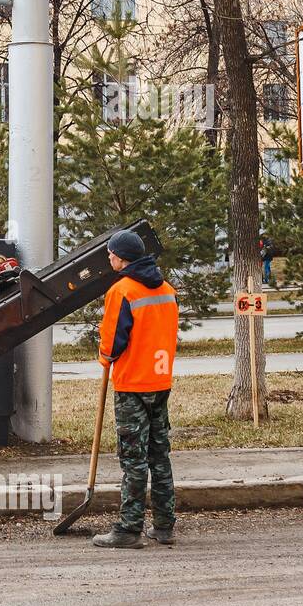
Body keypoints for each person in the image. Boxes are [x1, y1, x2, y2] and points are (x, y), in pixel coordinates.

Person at [92, 229, 180, 549]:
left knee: (133, 458)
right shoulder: (167, 289)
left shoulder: (122, 291)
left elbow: (114, 339)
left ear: (123, 257)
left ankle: (128, 530)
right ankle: (164, 526)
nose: (110, 258)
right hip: (160, 380)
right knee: (159, 453)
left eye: (112, 254)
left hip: (132, 384)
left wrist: (105, 358)